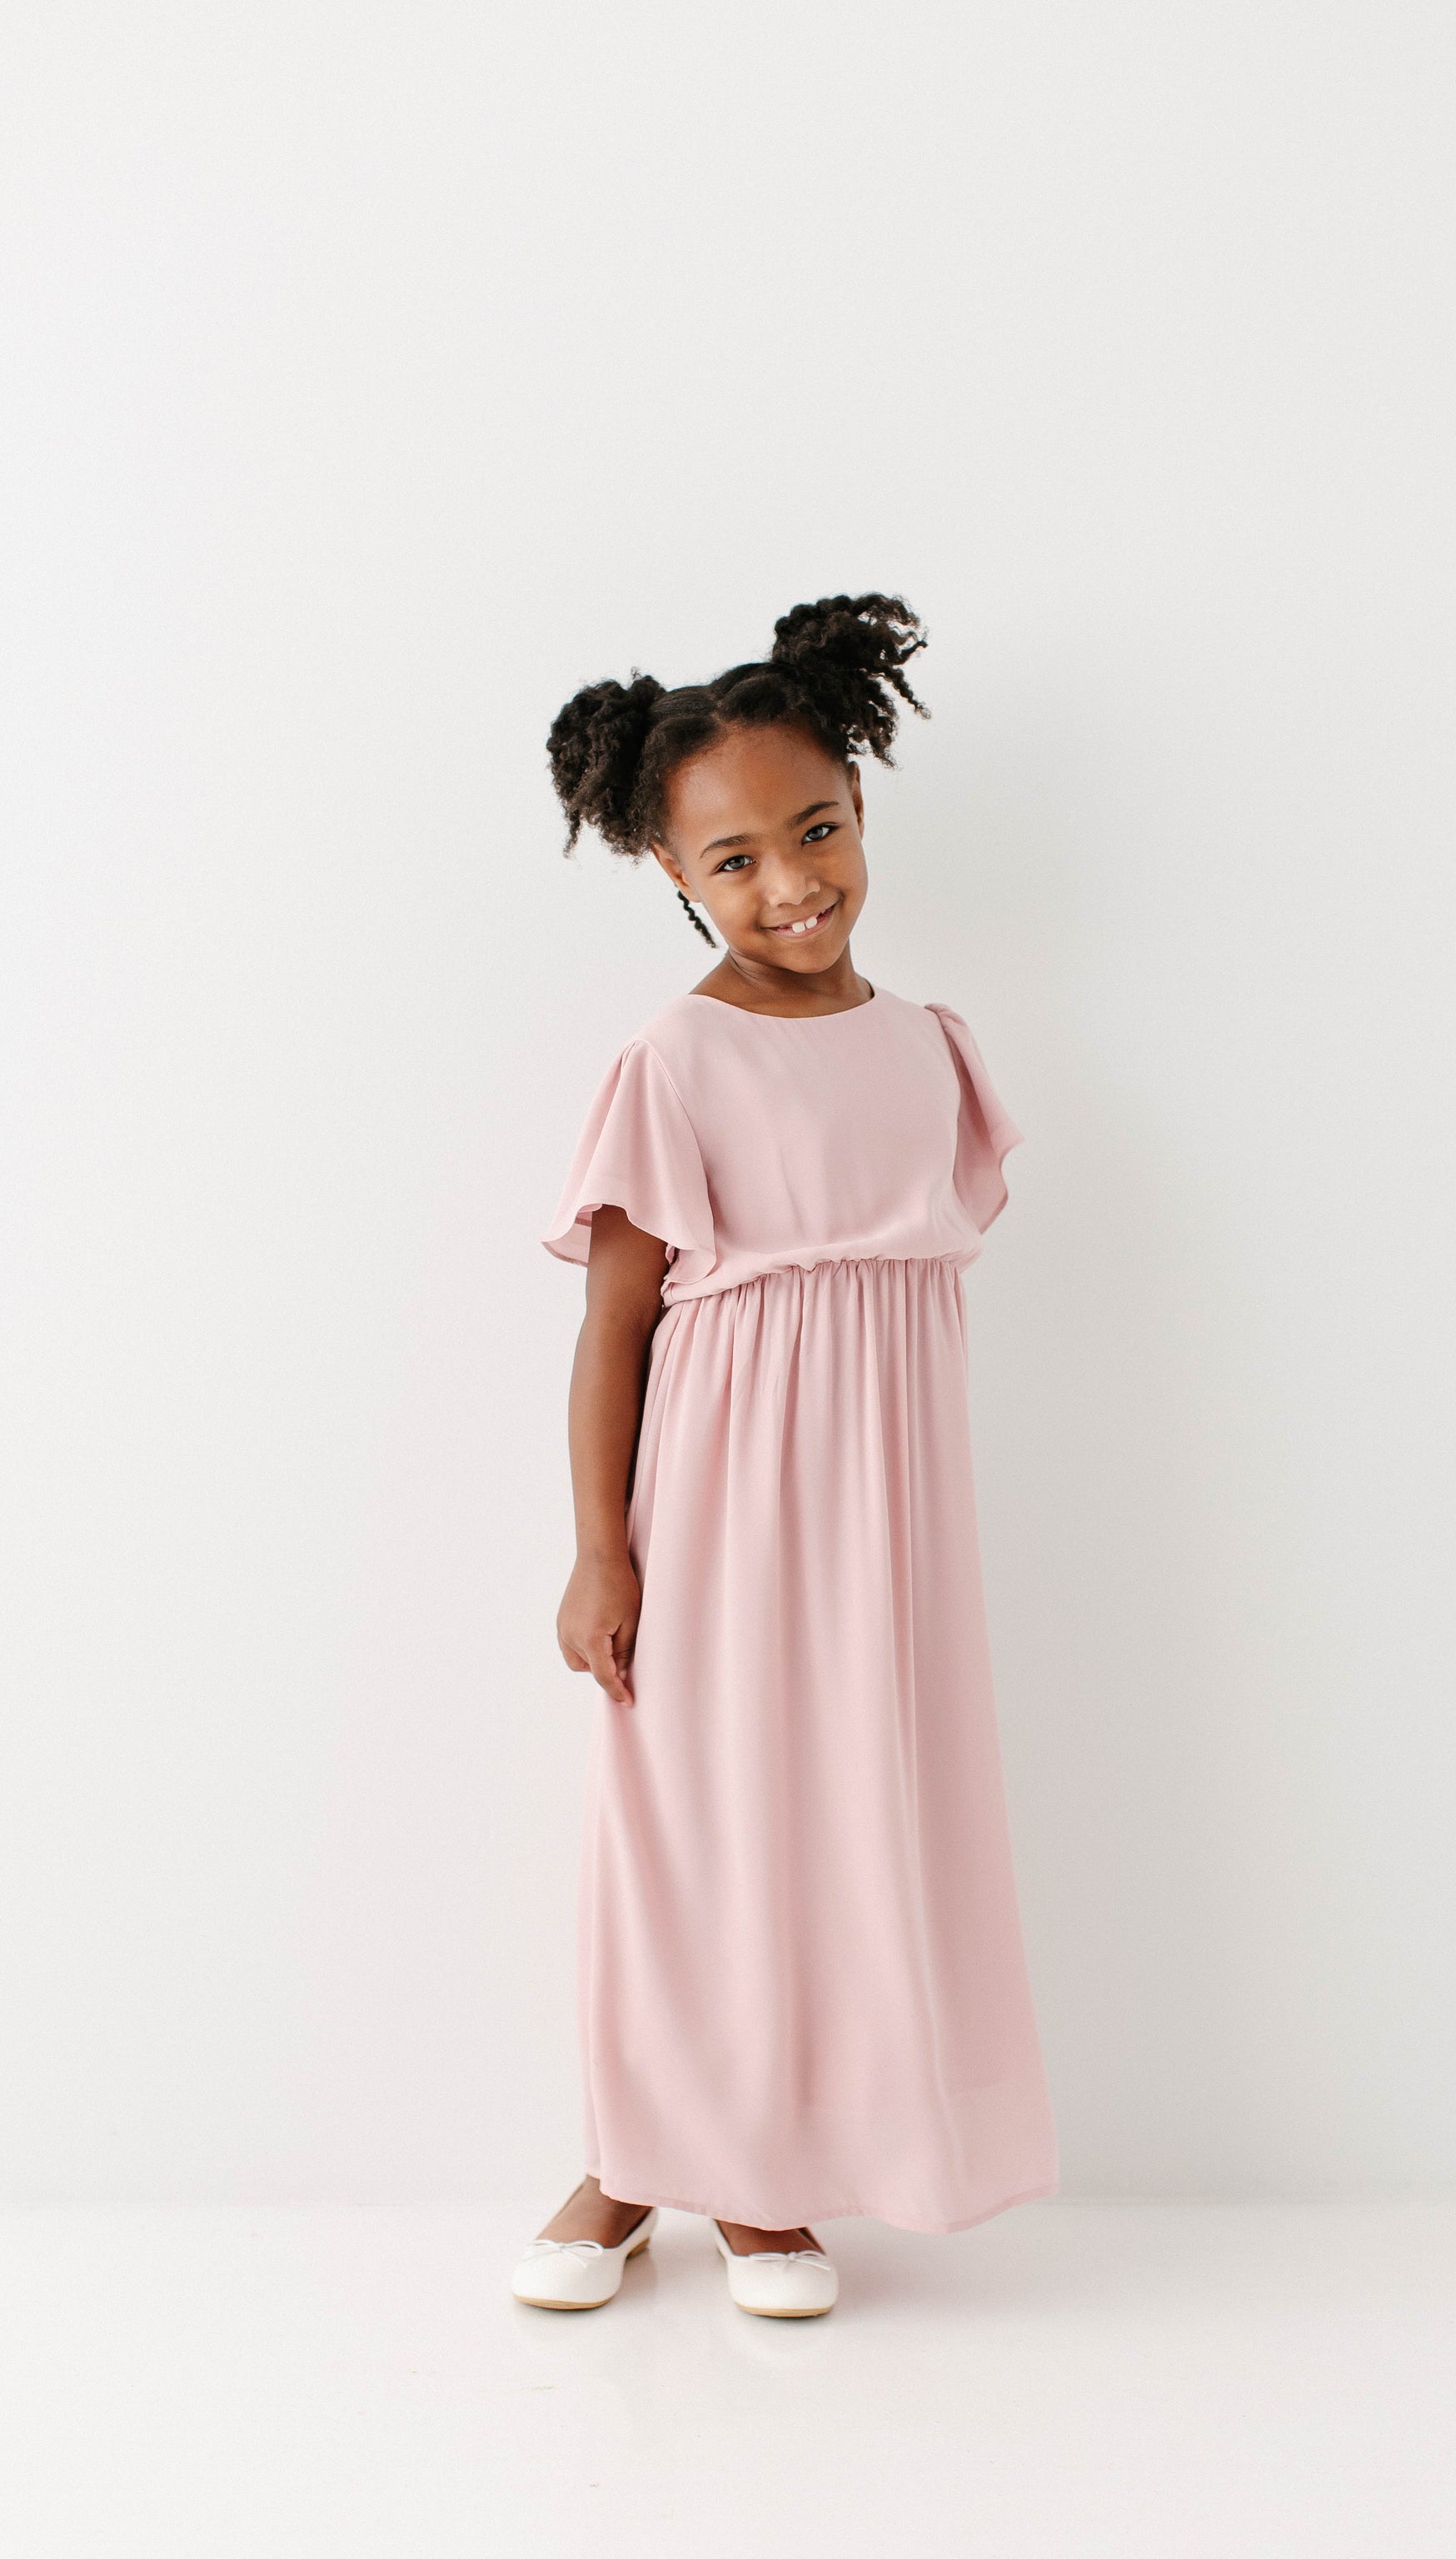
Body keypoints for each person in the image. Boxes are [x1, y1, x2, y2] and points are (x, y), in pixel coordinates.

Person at [511, 596, 1056, 2321]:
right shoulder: (677, 1059)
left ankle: (771, 2167)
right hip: (723, 1507)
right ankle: (632, 2167)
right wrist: (601, 1549)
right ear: (673, 874)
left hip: (886, 1513)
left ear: (861, 807)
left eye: (815, 831)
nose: (790, 884)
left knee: (841, 1825)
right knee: (696, 1828)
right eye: (734, 860)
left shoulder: (928, 1047)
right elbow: (614, 1327)